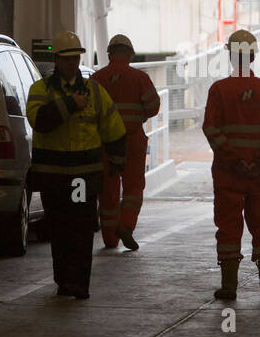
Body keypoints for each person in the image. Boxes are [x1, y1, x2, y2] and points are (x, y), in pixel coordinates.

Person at [26, 30, 127, 299]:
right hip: (53, 177)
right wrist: (70, 104)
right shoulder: (40, 90)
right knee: (59, 230)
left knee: (81, 230)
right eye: (67, 58)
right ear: (56, 60)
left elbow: (114, 129)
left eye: (75, 57)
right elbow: (41, 121)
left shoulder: (95, 91)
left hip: (82, 178)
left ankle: (80, 284)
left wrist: (117, 162)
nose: (72, 63)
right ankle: (64, 281)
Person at [202, 29, 260, 301]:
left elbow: (212, 130)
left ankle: (229, 286)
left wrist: (234, 160)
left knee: (228, 227)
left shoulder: (219, 90)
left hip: (230, 174)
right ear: (253, 56)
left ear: (230, 55)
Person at [96, 33, 161, 251]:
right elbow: (153, 106)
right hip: (133, 140)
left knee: (107, 190)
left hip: (104, 142)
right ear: (130, 54)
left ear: (109, 54)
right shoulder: (139, 78)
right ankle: (126, 226)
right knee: (133, 187)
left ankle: (110, 239)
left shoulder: (97, 79)